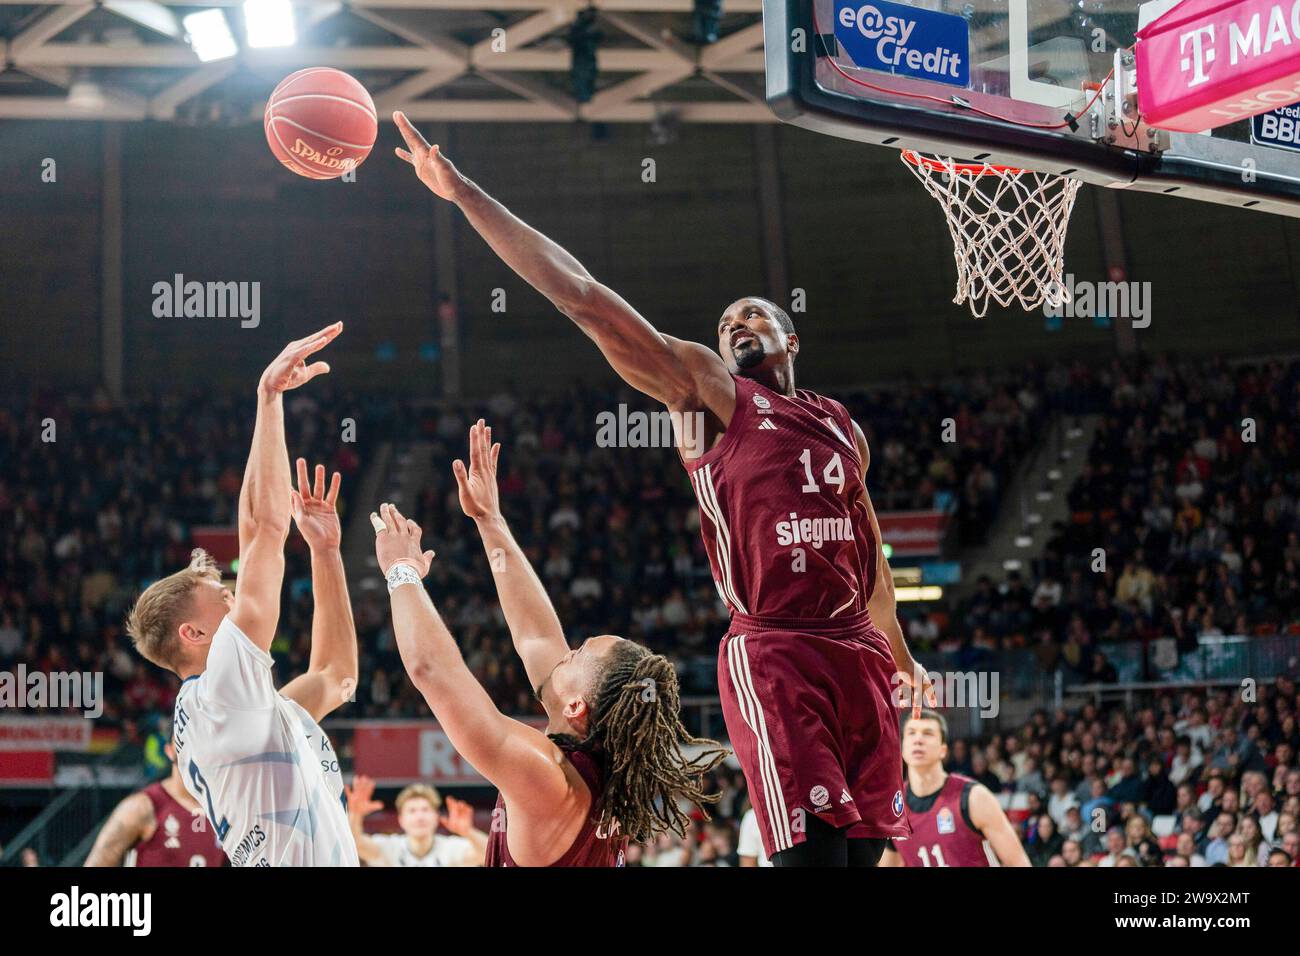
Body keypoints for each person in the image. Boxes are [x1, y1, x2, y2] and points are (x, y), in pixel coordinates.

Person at [393, 113, 933, 869]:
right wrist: (464, 195)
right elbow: (580, 295)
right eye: (726, 322)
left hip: (858, 652)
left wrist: (900, 657)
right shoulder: (710, 394)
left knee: (869, 859)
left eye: (755, 315)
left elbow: (870, 560)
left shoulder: (843, 425)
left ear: (792, 339)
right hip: (778, 646)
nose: (738, 323)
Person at [372, 421, 726, 866]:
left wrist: (401, 572)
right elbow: (535, 635)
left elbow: (433, 672)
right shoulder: (597, 768)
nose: (566, 650)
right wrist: (489, 519)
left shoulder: (548, 776)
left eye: (577, 654)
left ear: (576, 706)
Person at [125, 324, 360, 867]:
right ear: (194, 634)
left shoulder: (238, 713)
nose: (235, 600)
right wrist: (269, 397)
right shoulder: (219, 696)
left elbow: (335, 677)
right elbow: (261, 530)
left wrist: (326, 554)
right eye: (220, 597)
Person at [880, 710, 1030, 867]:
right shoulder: (895, 808)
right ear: (902, 748)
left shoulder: (974, 797)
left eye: (928, 733)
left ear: (943, 750)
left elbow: (1019, 863)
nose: (918, 740)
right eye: (911, 733)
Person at [84, 738, 227, 867]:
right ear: (169, 751)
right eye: (185, 738)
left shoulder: (225, 811)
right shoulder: (142, 807)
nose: (193, 747)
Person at [346, 776, 486, 867]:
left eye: (425, 810)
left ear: (436, 816)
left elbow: (487, 855)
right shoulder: (389, 847)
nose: (419, 816)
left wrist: (469, 832)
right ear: (401, 820)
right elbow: (355, 845)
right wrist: (355, 814)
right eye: (412, 811)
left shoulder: (451, 848)